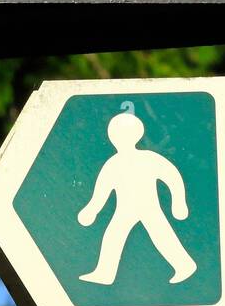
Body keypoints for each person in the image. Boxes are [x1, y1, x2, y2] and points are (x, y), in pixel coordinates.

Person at [76, 111, 197, 285]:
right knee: (114, 235)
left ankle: (184, 265)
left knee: (161, 235)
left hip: (149, 207)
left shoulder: (147, 158)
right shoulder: (113, 164)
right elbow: (101, 191)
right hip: (125, 210)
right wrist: (91, 209)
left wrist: (179, 202)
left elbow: (172, 176)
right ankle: (104, 272)